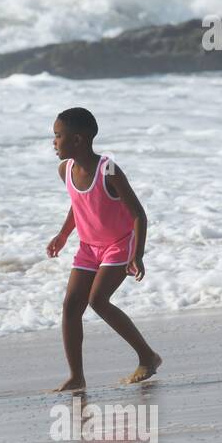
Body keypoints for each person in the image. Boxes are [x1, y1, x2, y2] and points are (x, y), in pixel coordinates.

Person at [46, 107, 160, 390]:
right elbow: (79, 203)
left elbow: (138, 214)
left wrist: (138, 252)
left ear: (79, 140)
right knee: (71, 306)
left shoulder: (107, 169)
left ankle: (148, 356)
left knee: (98, 300)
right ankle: (76, 377)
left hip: (119, 245)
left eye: (59, 135)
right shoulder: (66, 169)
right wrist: (63, 234)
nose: (54, 141)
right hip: (88, 247)